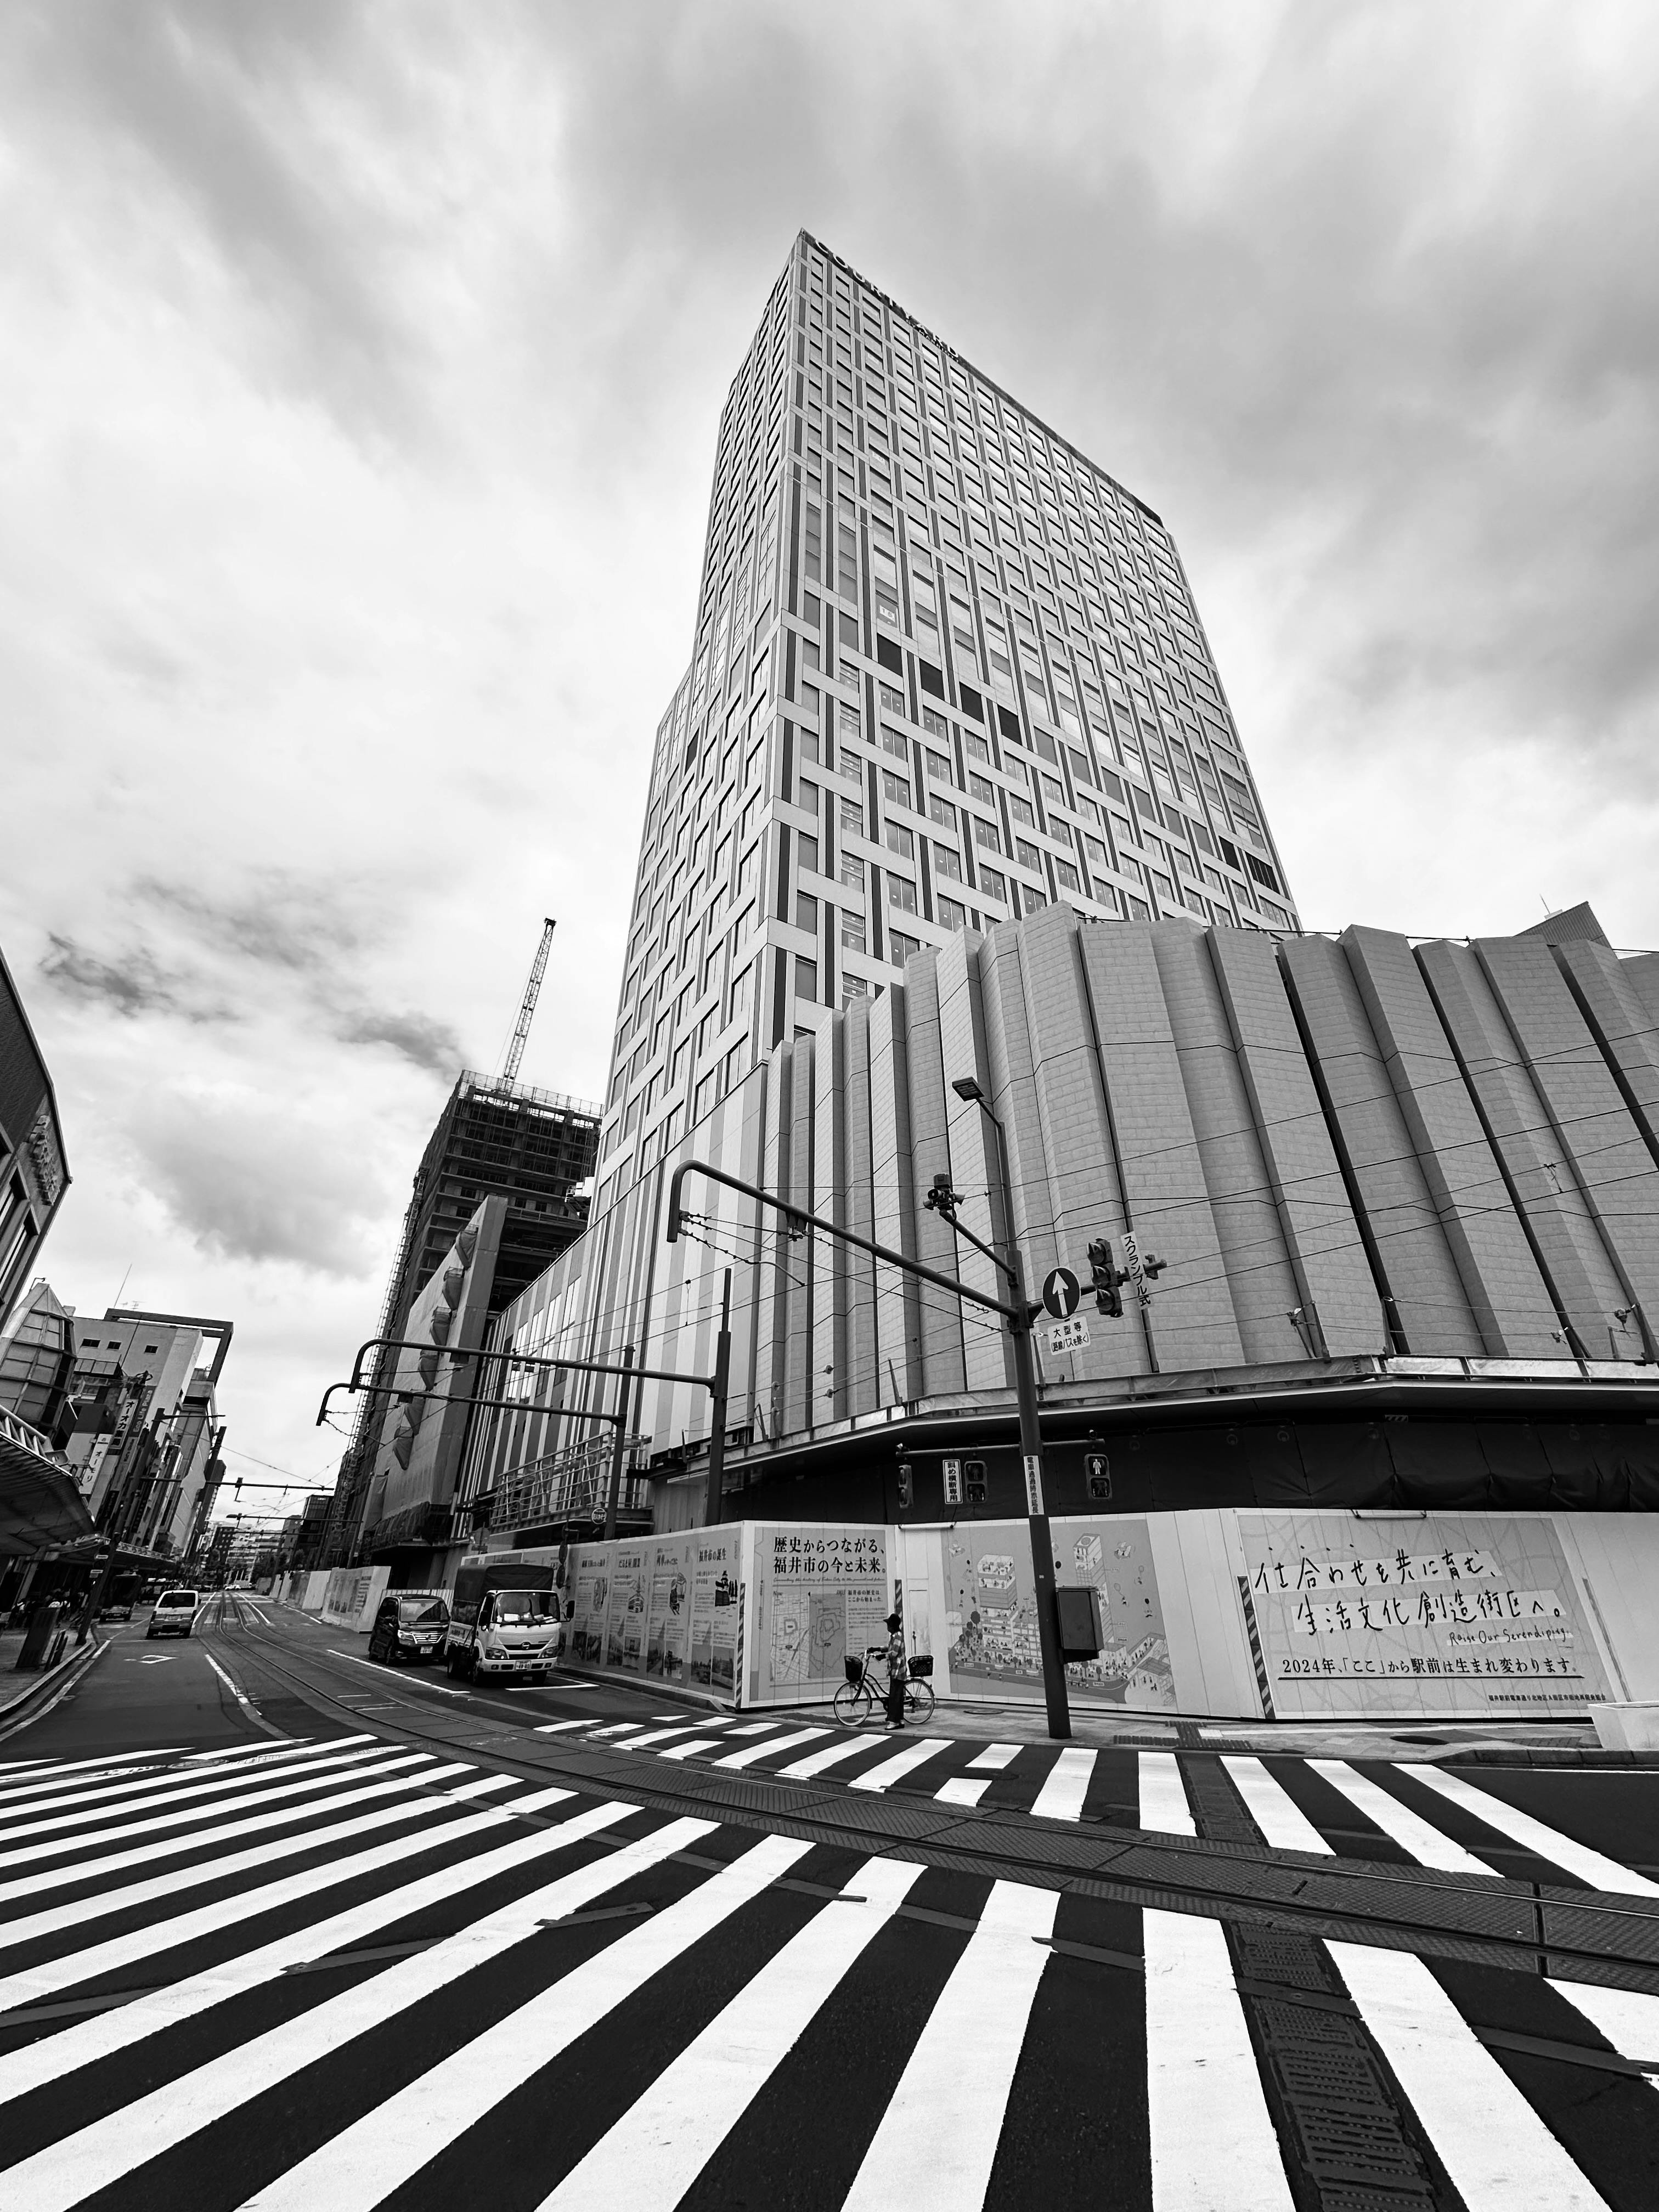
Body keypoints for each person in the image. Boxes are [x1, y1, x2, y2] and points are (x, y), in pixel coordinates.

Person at [883, 1611, 907, 1729]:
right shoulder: (895, 1636)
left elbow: (894, 1652)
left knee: (895, 1696)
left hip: (898, 1670)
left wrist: (883, 1656)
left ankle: (894, 1722)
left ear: (893, 1626)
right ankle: (901, 1719)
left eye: (889, 1625)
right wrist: (879, 1649)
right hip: (895, 1670)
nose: (888, 1627)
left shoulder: (898, 1635)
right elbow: (890, 1648)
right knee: (898, 1696)